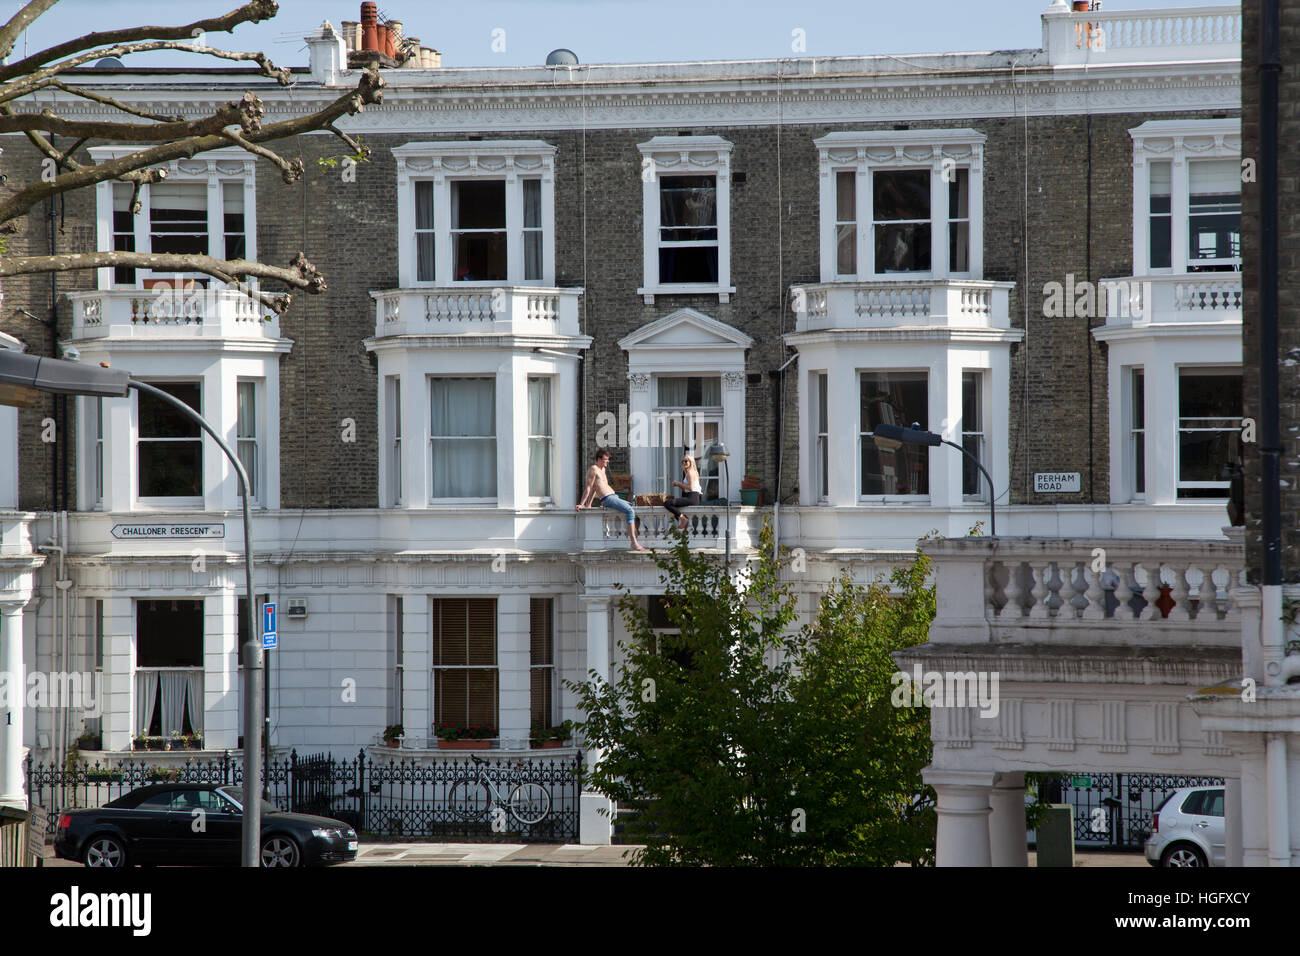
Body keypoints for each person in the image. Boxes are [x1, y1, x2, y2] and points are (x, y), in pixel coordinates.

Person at [576, 448, 645, 551]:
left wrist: (589, 504)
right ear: (599, 459)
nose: (607, 461)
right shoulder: (593, 469)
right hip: (607, 498)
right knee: (630, 511)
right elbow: (589, 488)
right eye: (605, 459)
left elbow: (595, 488)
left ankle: (635, 535)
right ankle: (633, 542)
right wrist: (581, 504)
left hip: (613, 496)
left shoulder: (603, 470)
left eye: (608, 459)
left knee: (632, 506)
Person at [664, 454, 702, 531]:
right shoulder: (689, 473)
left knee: (667, 503)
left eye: (686, 461)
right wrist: (678, 485)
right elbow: (686, 490)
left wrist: (678, 483)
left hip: (692, 497)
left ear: (691, 462)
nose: (684, 463)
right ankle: (685, 526)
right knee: (676, 510)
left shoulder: (690, 473)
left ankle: (683, 519)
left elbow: (691, 488)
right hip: (692, 497)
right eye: (682, 461)